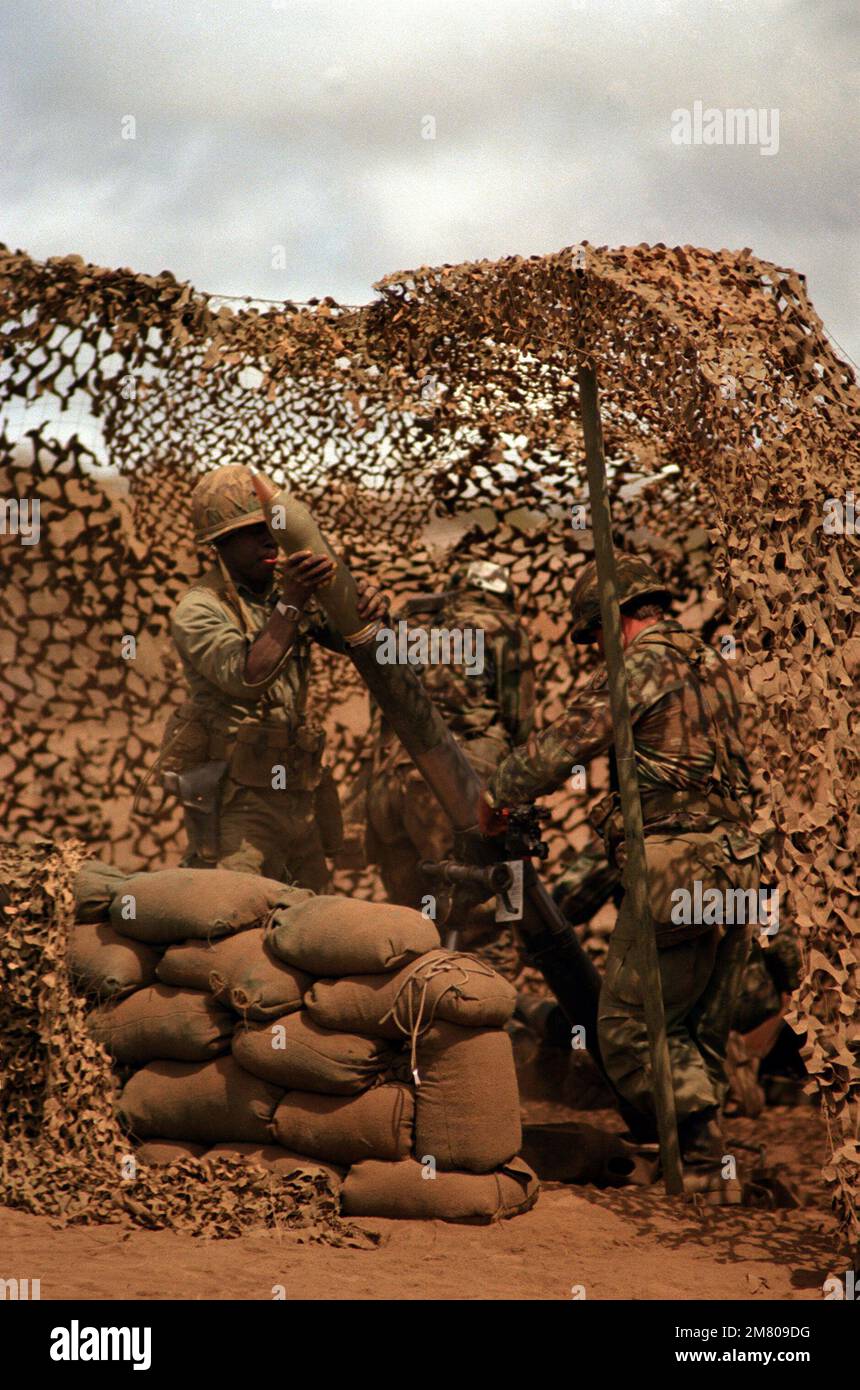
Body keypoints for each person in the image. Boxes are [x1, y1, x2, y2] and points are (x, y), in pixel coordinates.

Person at [480, 551, 763, 1177]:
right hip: (737, 859)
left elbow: (566, 743)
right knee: (696, 1026)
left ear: (617, 619)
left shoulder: (641, 662)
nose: (596, 649)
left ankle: (698, 1150)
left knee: (628, 1027)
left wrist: (498, 792)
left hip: (678, 864)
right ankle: (703, 1156)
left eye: (596, 636)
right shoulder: (708, 660)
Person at [157, 463, 386, 890]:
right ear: (220, 542)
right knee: (228, 919)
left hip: (300, 797)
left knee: (313, 924)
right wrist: (293, 602)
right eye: (252, 531)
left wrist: (366, 607)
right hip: (238, 804)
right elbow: (247, 675)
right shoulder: (199, 608)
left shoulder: (287, 588)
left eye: (273, 526)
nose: (270, 538)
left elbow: (359, 643)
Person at [364, 560, 535, 909]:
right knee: (482, 916)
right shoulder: (504, 627)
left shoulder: (408, 624)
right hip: (455, 788)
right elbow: (520, 718)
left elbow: (378, 707)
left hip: (387, 788)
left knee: (409, 919)